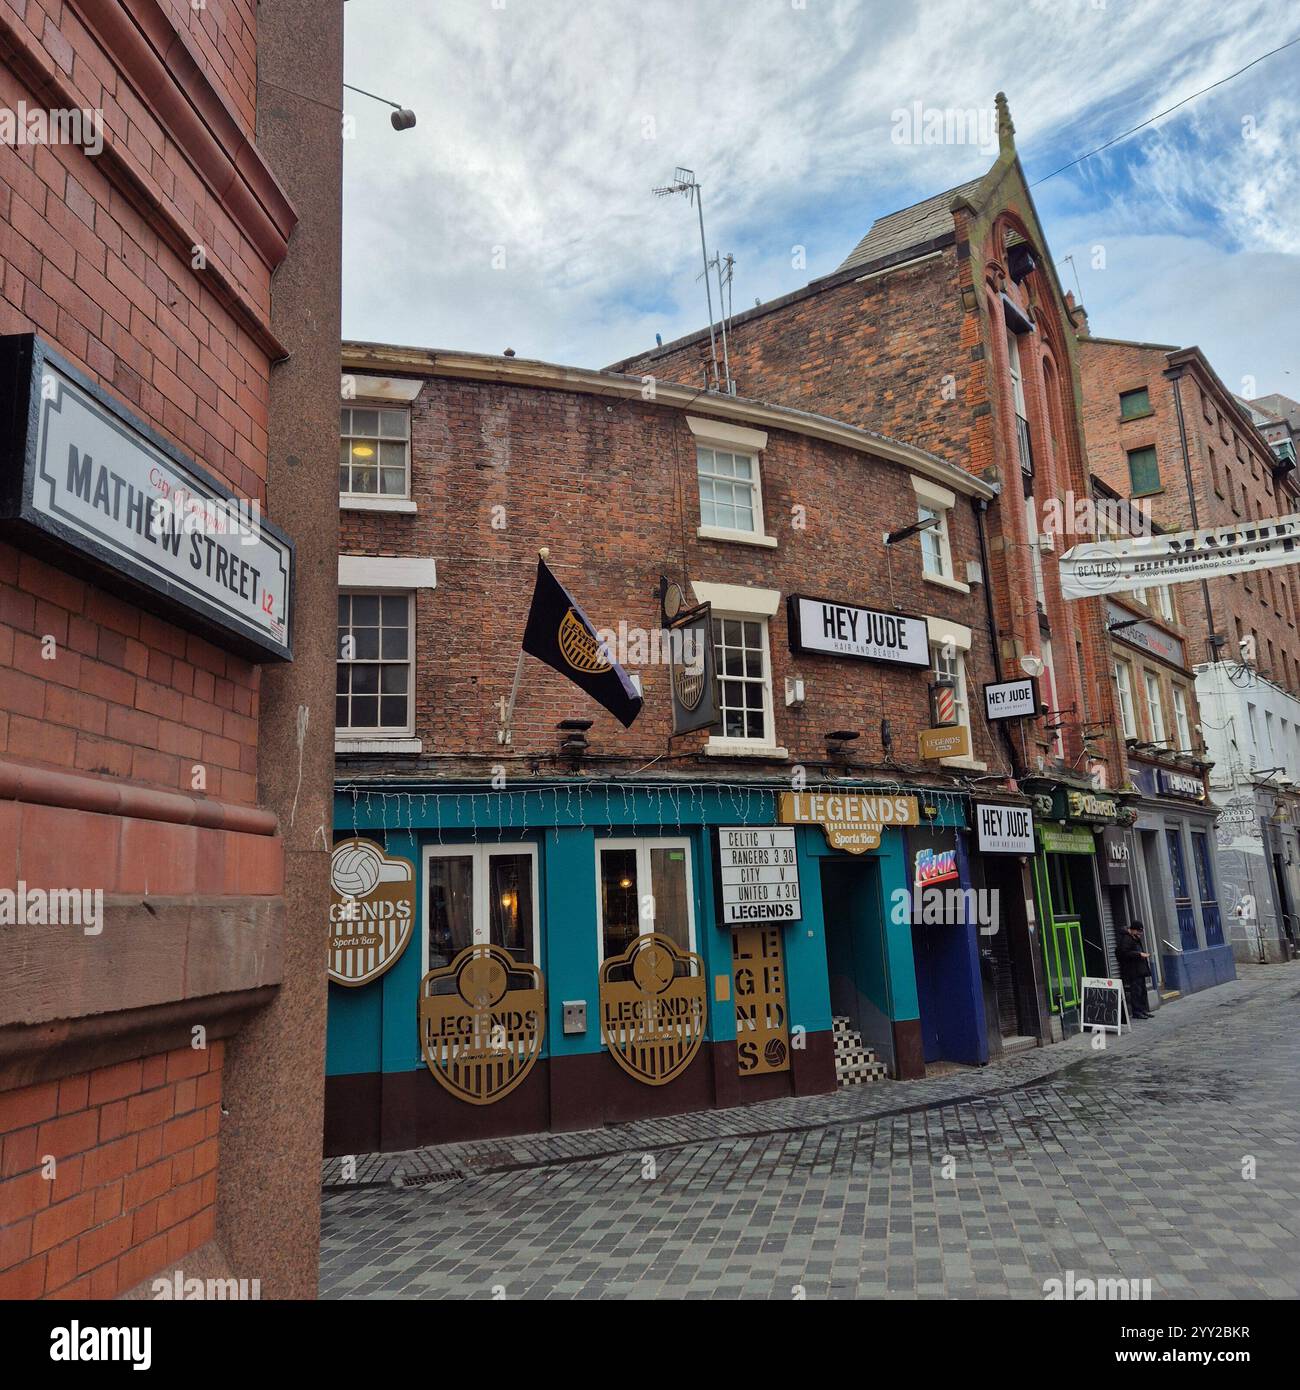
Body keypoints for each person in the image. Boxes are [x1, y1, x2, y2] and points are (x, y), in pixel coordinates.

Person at [1117, 921, 1153, 1019]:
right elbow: (1124, 953)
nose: (1140, 934)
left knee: (1142, 990)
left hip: (1139, 968)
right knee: (1136, 991)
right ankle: (1137, 1011)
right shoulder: (1126, 939)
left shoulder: (1134, 937)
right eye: (1138, 931)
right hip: (1133, 970)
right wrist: (1139, 954)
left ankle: (1143, 1010)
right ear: (1133, 930)